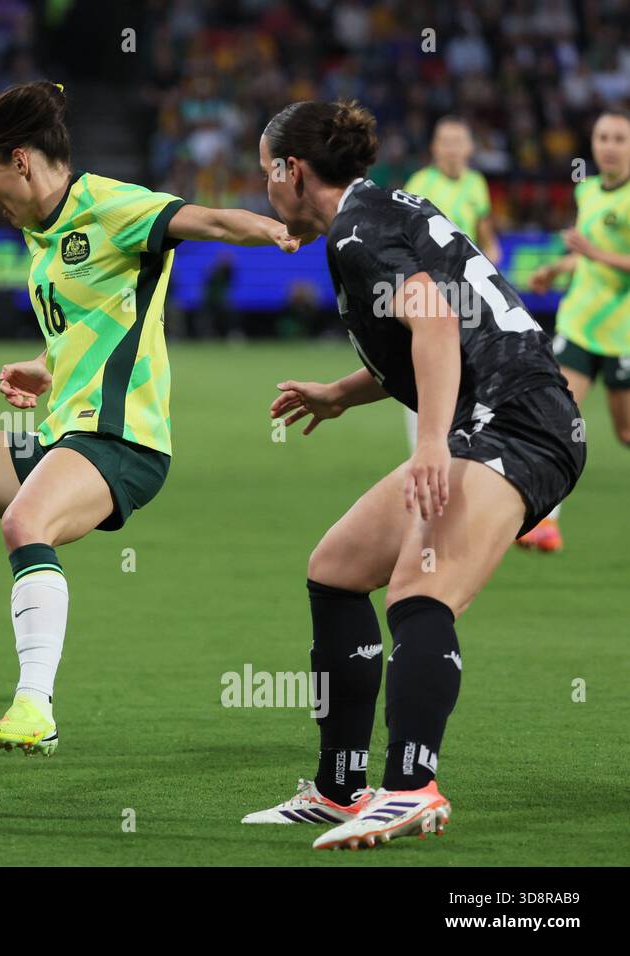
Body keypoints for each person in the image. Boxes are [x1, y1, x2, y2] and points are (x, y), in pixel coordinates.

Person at [0, 81, 299, 756]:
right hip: (62, 435)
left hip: (123, 442)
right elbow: (96, 324)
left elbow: (213, 222)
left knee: (26, 522)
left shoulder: (109, 204)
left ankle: (34, 707)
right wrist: (45, 368)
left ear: (21, 159)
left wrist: (282, 231)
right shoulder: (41, 236)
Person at [244, 100, 584, 849]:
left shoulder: (354, 235)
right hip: (502, 416)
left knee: (419, 589)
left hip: (519, 425)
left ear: (291, 170)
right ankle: (340, 790)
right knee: (335, 570)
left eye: (265, 168)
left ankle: (410, 787)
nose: (263, 185)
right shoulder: (382, 209)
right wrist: (343, 391)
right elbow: (442, 322)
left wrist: (431, 444)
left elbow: (431, 319)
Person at [524, 109, 630, 552]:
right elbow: (588, 256)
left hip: (622, 332)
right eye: (603, 137)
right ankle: (546, 522)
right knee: (561, 417)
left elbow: (601, 254)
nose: (608, 146)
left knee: (625, 432)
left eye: (619, 139)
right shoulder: (587, 190)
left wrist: (592, 253)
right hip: (579, 324)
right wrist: (557, 267)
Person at [400, 116, 501, 451]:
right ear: (434, 148)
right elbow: (404, 239)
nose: (454, 149)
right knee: (425, 372)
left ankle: (461, 453)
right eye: (447, 141)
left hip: (469, 298)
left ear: (470, 148)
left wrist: (491, 253)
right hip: (432, 296)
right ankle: (423, 451)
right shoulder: (419, 183)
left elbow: (486, 233)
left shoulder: (476, 183)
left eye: (460, 141)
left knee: (468, 378)